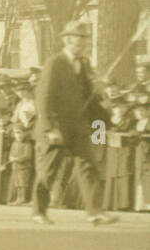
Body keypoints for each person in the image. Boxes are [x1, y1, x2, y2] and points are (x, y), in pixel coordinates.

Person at [32, 21, 118, 226]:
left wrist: (106, 118)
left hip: (78, 127)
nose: (84, 43)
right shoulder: (55, 63)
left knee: (88, 166)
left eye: (86, 39)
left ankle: (95, 212)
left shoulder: (84, 64)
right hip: (57, 128)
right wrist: (49, 127)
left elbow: (90, 99)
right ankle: (39, 211)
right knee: (49, 171)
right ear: (68, 39)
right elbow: (43, 97)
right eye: (80, 39)